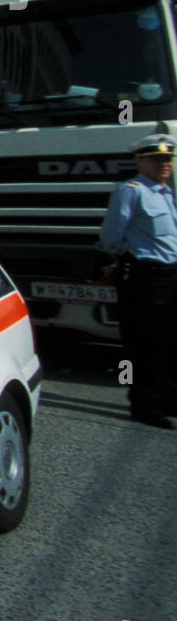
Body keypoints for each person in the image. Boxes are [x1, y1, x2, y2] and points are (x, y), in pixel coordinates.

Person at [98, 131, 177, 429]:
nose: (164, 164)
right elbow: (111, 235)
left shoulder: (164, 192)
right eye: (157, 159)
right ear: (139, 161)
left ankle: (169, 398)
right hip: (145, 276)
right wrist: (121, 261)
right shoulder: (131, 190)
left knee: (170, 341)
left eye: (168, 159)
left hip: (170, 275)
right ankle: (145, 405)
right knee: (146, 344)